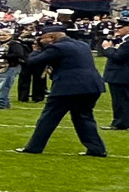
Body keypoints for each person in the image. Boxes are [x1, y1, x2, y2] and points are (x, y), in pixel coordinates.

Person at [15, 20, 108, 157]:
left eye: (43, 38)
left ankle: (34, 147)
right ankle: (96, 149)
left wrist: (35, 50)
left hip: (68, 87)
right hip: (92, 86)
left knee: (49, 118)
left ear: (52, 37)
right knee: (84, 117)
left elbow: (32, 63)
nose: (41, 40)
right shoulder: (82, 45)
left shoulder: (57, 48)